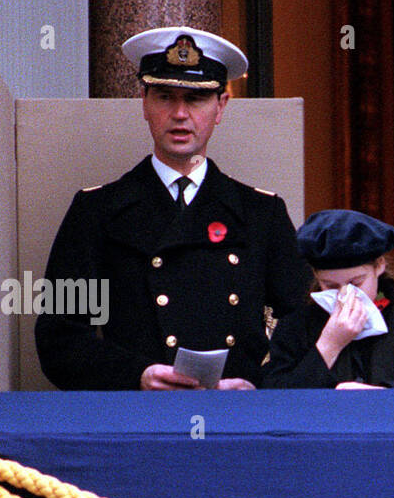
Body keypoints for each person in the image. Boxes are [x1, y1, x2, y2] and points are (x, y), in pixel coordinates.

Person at [35, 26, 309, 390]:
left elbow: (300, 328)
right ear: (144, 103)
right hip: (137, 413)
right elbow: (59, 338)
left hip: (237, 413)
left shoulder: (262, 214)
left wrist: (253, 385)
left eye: (195, 99)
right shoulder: (96, 212)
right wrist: (137, 375)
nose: (180, 114)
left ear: (221, 106)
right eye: (165, 97)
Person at [262, 210, 394, 388]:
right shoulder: (296, 324)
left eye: (356, 283)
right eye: (330, 286)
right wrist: (329, 345)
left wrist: (386, 396)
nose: (345, 295)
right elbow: (277, 400)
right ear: (316, 276)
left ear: (379, 265)